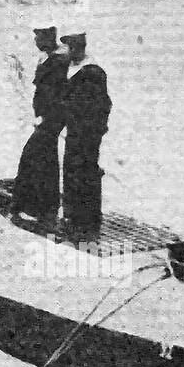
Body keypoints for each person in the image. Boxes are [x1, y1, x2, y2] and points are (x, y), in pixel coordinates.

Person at [12, 26, 68, 221]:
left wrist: (45, 117)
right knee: (46, 158)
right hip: (47, 118)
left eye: (38, 37)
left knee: (34, 156)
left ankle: (36, 207)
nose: (35, 41)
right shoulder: (48, 58)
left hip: (51, 118)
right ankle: (46, 207)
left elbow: (57, 94)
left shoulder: (58, 61)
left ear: (48, 37)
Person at [60, 32, 112, 233]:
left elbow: (103, 104)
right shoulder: (74, 69)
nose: (68, 51)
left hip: (87, 132)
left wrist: (95, 127)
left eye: (70, 47)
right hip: (76, 129)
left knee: (85, 170)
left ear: (78, 47)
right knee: (73, 169)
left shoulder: (92, 72)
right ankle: (73, 215)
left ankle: (87, 218)